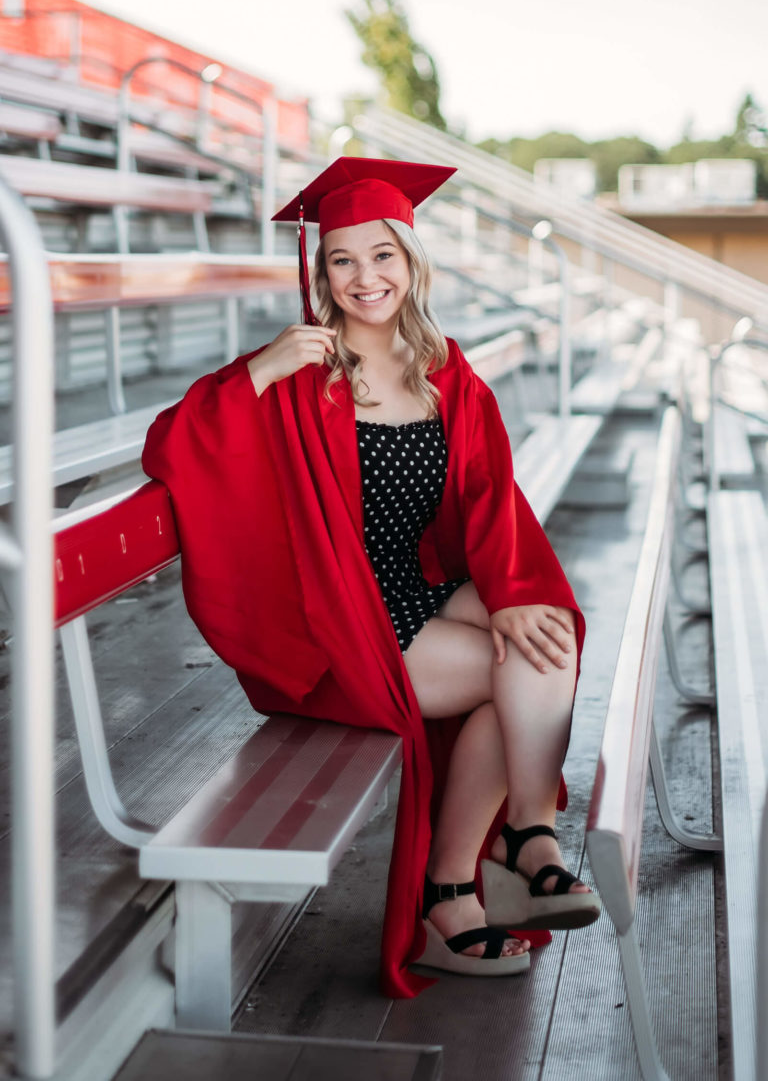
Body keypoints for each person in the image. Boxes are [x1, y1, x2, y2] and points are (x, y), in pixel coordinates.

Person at [142, 156, 600, 999]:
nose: (364, 277)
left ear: (411, 260)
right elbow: (172, 446)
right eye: (343, 260)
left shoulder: (445, 370)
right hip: (336, 619)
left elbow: (490, 498)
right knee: (518, 671)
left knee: (543, 625)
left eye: (382, 255)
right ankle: (474, 877)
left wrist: (505, 593)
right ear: (322, 274)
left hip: (414, 587)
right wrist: (260, 370)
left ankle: (521, 833)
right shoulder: (300, 374)